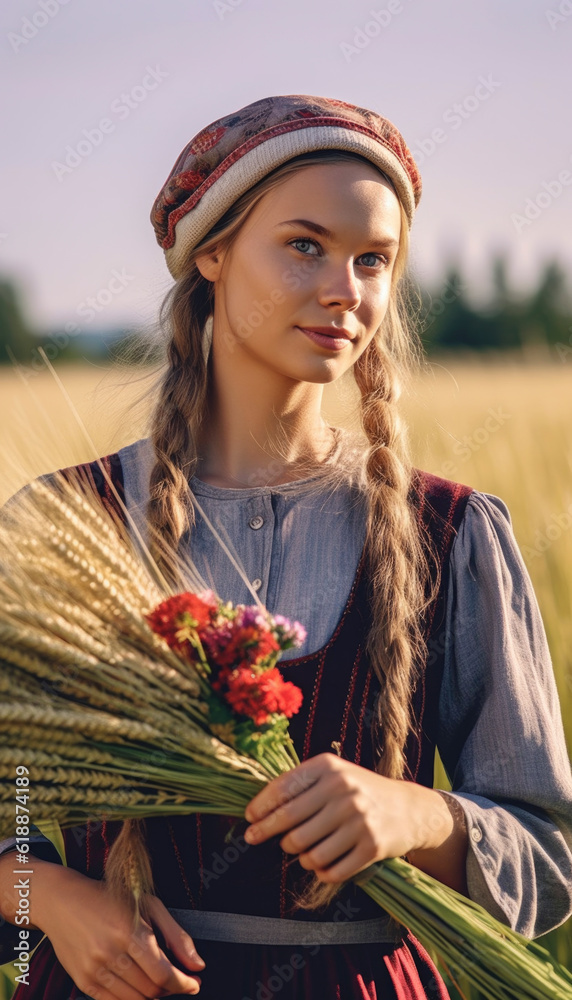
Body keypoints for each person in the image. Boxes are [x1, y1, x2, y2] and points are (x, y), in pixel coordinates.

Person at [1, 93, 571, 1000]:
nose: (347, 289)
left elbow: (549, 852)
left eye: (373, 259)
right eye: (305, 245)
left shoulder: (453, 537)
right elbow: (12, 793)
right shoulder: (68, 525)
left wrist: (416, 815)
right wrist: (51, 898)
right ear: (214, 253)